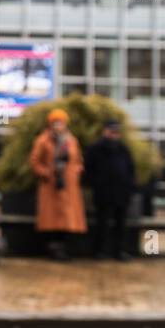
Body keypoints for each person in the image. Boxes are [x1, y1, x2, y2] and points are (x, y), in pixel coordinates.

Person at [29, 108, 86, 260]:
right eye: (56, 123)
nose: (58, 126)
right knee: (52, 218)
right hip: (51, 185)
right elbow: (35, 162)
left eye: (61, 123)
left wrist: (76, 171)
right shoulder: (43, 140)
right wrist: (46, 173)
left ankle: (63, 248)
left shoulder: (71, 140)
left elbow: (78, 159)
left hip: (69, 186)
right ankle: (54, 249)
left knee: (67, 218)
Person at [84, 120, 137, 261]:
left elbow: (130, 169)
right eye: (111, 131)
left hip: (121, 192)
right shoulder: (95, 148)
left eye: (116, 131)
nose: (114, 134)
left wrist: (129, 186)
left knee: (121, 224)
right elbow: (88, 170)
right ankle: (99, 251)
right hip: (103, 192)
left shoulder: (123, 148)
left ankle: (119, 251)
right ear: (105, 131)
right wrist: (96, 184)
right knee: (102, 223)